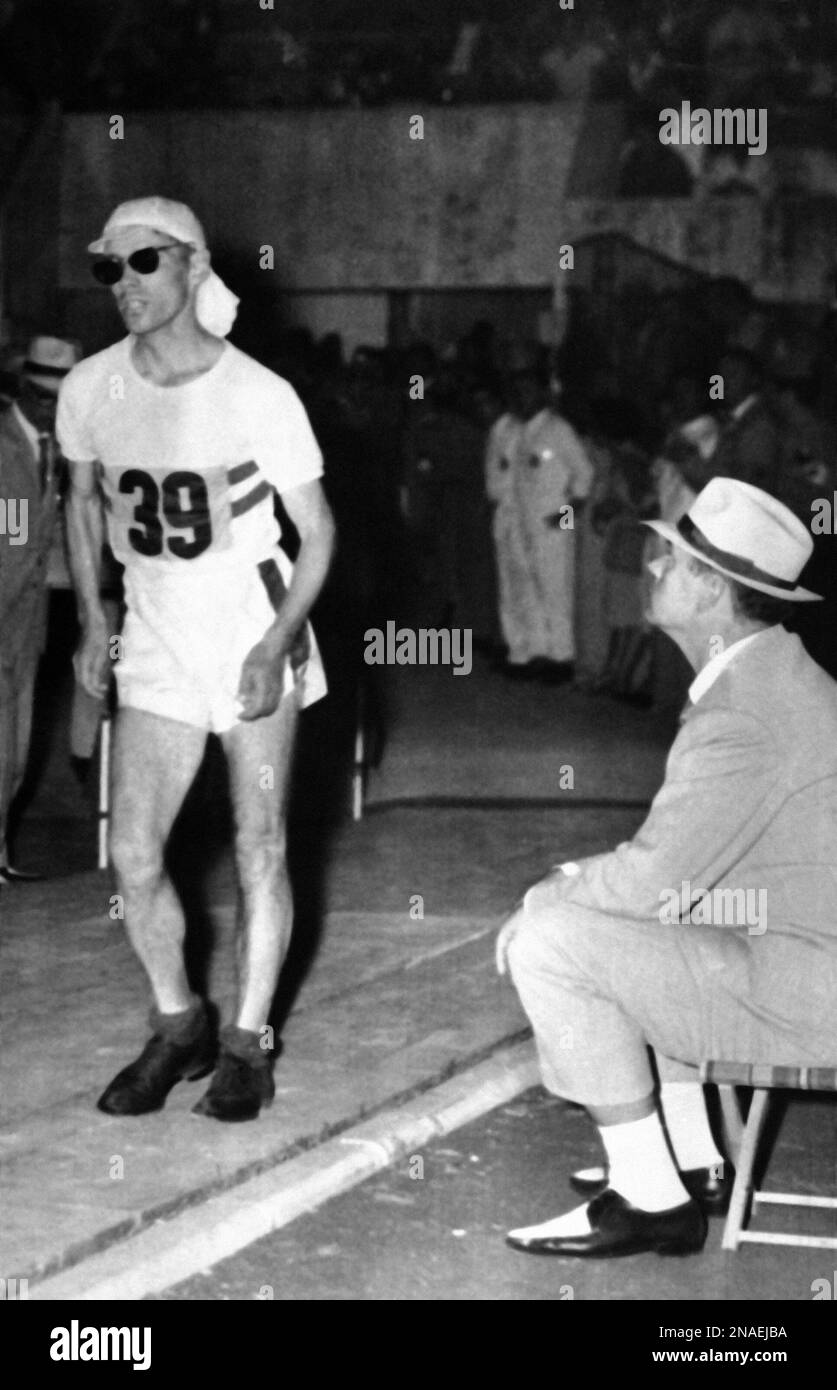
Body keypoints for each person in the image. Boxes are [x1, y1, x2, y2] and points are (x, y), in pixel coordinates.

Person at [496, 476, 837, 1257]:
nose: (650, 569)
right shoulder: (768, 674)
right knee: (617, 911)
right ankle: (689, 1158)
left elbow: (653, 884)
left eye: (671, 561)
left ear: (712, 588)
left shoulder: (745, 710)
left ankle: (650, 1199)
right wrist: (580, 877)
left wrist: (555, 890)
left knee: (549, 939)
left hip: (803, 992)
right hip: (791, 951)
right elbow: (682, 865)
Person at [57, 197, 335, 1122]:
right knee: (133, 850)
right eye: (111, 269)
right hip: (157, 627)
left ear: (191, 268)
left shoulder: (257, 393)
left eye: (144, 264)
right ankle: (179, 1022)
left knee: (260, 843)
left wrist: (277, 638)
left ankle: (248, 1041)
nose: (126, 284)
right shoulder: (91, 386)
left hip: (248, 619)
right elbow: (83, 500)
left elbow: (319, 531)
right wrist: (95, 620)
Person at [0, 335, 80, 885]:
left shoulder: (51, 450)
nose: (53, 408)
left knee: (16, 752)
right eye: (45, 397)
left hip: (27, 628)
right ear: (23, 390)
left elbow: (35, 544)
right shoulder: (4, 447)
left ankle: (1, 855)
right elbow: (14, 539)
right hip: (4, 616)